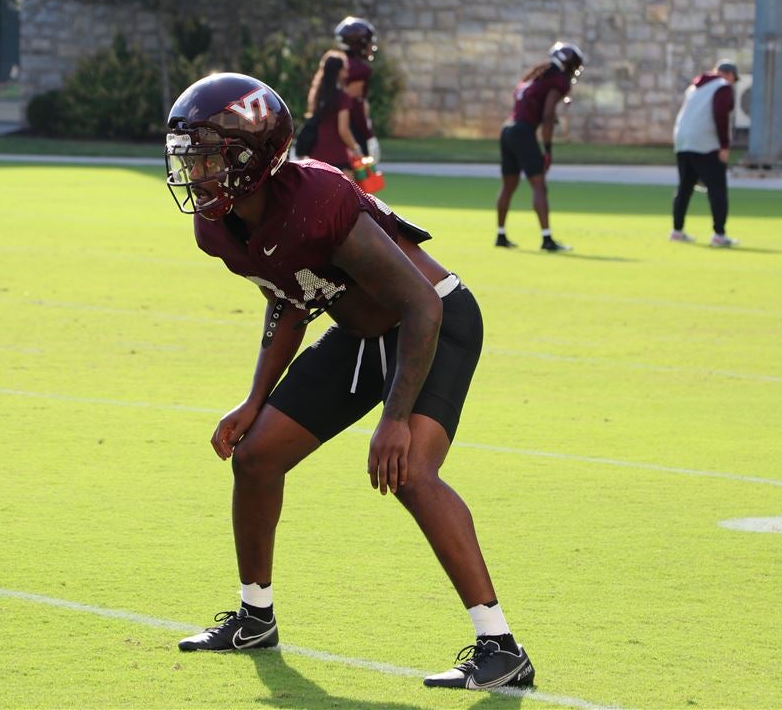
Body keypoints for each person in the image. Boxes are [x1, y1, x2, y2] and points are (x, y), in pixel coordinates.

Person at [165, 72, 535, 691]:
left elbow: (420, 305)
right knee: (255, 457)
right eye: (189, 157)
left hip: (433, 320)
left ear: (251, 159)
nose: (194, 173)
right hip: (363, 330)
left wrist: (394, 420)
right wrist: (254, 399)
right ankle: (255, 617)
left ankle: (502, 648)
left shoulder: (316, 199)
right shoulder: (218, 226)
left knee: (411, 472)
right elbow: (290, 296)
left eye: (207, 158)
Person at [495, 41, 584, 251]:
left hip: (507, 130)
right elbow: (547, 115)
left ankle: (501, 235)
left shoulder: (534, 77)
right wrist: (548, 149)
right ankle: (547, 239)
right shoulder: (558, 81)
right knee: (539, 185)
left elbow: (530, 103)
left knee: (508, 185)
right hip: (523, 132)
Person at [670, 61, 740, 247]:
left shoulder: (694, 87)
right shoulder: (722, 86)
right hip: (706, 142)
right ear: (729, 75)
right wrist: (724, 145)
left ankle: (677, 230)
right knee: (717, 189)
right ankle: (719, 234)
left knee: (684, 187)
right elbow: (720, 114)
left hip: (683, 140)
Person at [302, 53, 363, 177]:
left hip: (316, 158)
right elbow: (343, 130)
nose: (347, 74)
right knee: (348, 190)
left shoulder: (318, 96)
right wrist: (356, 148)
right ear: (338, 72)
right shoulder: (342, 98)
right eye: (344, 70)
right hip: (338, 157)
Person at [334, 16, 380, 164]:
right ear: (360, 43)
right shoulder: (358, 69)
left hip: (331, 130)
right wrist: (368, 136)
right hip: (351, 131)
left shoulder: (334, 63)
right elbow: (355, 106)